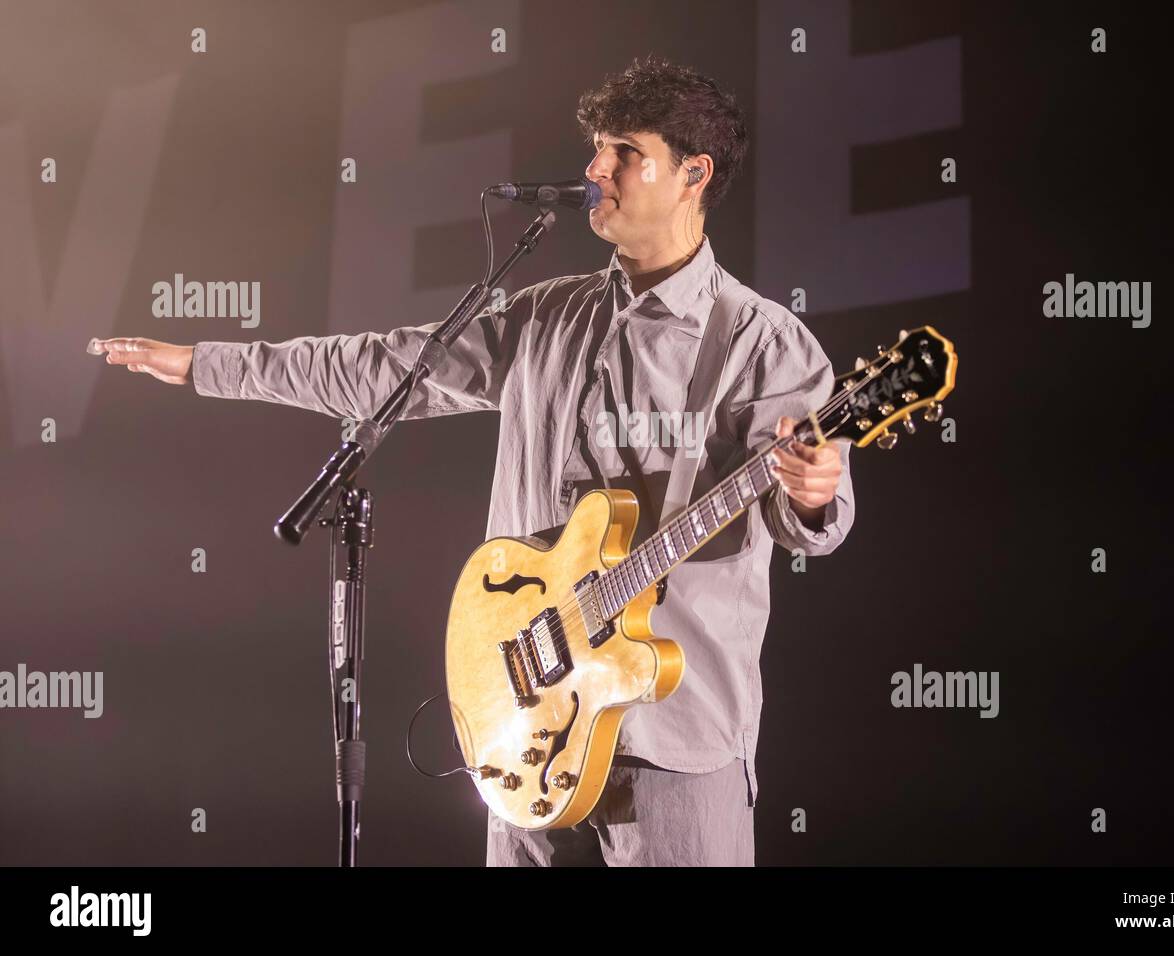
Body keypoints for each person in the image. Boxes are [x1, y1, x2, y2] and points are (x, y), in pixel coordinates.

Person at [90, 54, 855, 866]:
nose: (595, 170)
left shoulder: (762, 344)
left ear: (692, 173)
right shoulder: (545, 316)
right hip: (525, 713)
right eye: (595, 148)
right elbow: (383, 368)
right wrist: (204, 364)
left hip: (674, 731)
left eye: (623, 152)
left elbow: (811, 521)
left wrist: (812, 494)